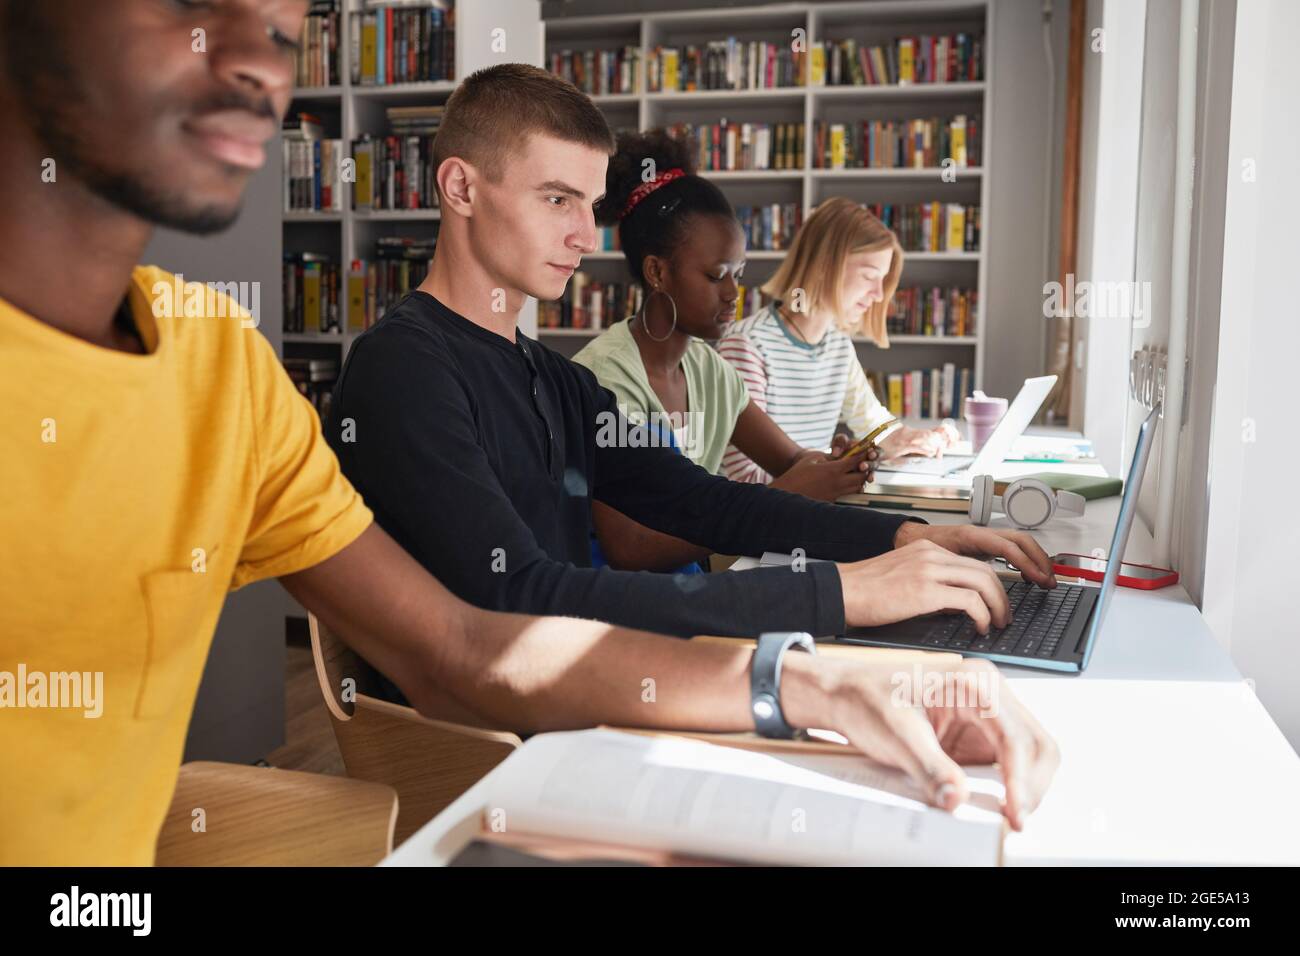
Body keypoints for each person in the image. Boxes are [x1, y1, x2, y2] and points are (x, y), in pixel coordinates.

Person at [0, 4, 1056, 863]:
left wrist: (886, 549)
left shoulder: (247, 367)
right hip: (489, 740)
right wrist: (825, 608)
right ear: (459, 187)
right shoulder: (402, 369)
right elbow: (496, 618)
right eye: (557, 197)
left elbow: (685, 500)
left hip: (553, 707)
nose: (252, 60)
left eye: (283, 26)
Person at [572, 129, 873, 573]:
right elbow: (631, 548)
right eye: (716, 276)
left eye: (739, 272)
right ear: (657, 272)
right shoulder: (605, 378)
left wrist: (837, 464)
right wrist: (789, 493)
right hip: (620, 603)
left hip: (689, 584)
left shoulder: (708, 368)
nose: (734, 292)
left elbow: (789, 460)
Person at [719, 196, 959, 485]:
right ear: (824, 266)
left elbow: (873, 424)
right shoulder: (747, 345)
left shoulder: (837, 345)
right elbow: (745, 478)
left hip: (808, 505)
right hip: (763, 516)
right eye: (870, 276)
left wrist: (913, 439)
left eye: (882, 280)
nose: (879, 295)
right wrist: (839, 466)